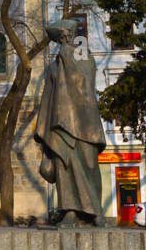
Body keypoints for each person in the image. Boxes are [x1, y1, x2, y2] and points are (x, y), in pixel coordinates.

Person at [35, 20, 106, 226]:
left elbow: (84, 78)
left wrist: (66, 53)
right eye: (60, 36)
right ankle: (69, 211)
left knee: (89, 164)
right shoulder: (54, 66)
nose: (65, 38)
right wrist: (44, 130)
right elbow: (47, 97)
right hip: (60, 123)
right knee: (64, 167)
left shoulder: (82, 55)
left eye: (68, 34)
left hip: (84, 122)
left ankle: (95, 212)